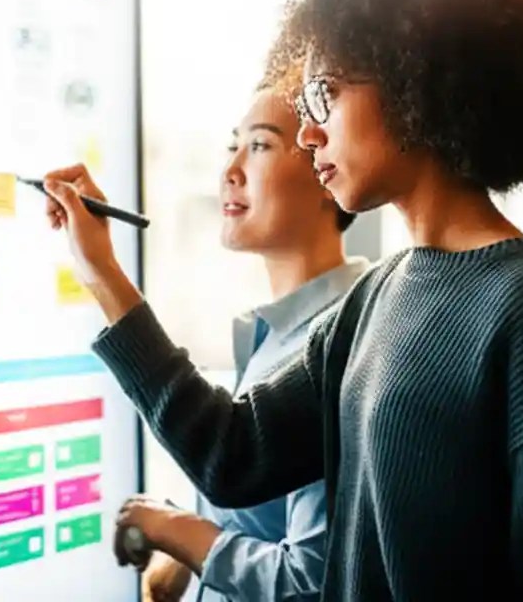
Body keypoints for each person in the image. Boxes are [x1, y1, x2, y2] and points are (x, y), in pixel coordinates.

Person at [44, 0, 523, 601]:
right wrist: (103, 274)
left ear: (414, 81)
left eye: (324, 94)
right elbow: (231, 455)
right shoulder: (374, 298)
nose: (309, 130)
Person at [133, 77, 369, 602]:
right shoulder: (268, 338)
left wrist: (182, 534)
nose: (230, 171)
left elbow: (311, 581)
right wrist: (188, 558)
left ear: (325, 163)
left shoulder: (339, 344)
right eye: (231, 145)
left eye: (259, 145)